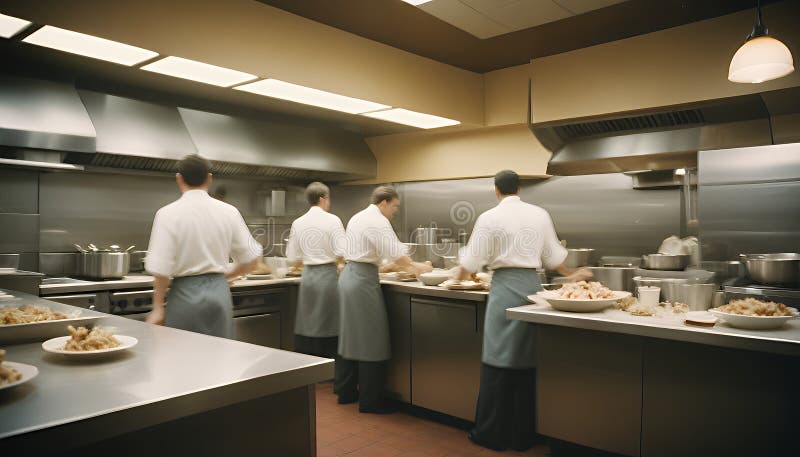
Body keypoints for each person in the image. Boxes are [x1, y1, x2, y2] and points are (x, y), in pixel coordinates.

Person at [458, 170, 591, 451]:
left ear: (496, 190)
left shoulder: (489, 217)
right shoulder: (539, 214)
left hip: (504, 287)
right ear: (519, 189)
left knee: (497, 360)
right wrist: (572, 274)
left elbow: (471, 261)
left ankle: (491, 434)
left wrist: (457, 278)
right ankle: (524, 436)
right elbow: (554, 257)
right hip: (532, 288)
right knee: (526, 360)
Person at [336, 185, 432, 414]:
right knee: (372, 340)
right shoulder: (378, 220)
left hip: (350, 276)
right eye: (394, 207)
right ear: (384, 203)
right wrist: (424, 268)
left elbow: (369, 255)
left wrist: (391, 265)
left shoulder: (359, 217)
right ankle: (370, 402)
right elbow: (402, 260)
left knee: (350, 338)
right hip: (361, 282)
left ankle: (346, 393)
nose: (394, 212)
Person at [144, 154, 261, 337]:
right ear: (209, 178)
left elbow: (161, 270)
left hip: (184, 296)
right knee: (222, 356)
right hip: (219, 294)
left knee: (185, 355)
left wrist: (158, 307)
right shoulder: (229, 212)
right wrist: (228, 275)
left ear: (179, 179)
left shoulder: (167, 214)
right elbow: (252, 259)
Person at [285, 182, 345, 359]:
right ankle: (329, 368)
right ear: (322, 199)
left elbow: (292, 258)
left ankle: (309, 369)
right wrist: (339, 263)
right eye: (328, 199)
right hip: (327, 276)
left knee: (308, 324)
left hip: (308, 277)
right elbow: (343, 253)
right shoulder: (333, 220)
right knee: (329, 325)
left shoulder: (298, 222)